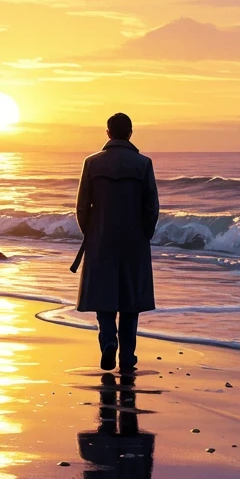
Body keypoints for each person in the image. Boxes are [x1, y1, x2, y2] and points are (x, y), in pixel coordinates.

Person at [73, 112, 159, 371]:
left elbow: (81, 207)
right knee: (131, 300)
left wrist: (90, 232)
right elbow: (152, 207)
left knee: (104, 296)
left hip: (101, 239)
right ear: (130, 133)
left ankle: (109, 342)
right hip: (134, 241)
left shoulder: (92, 163)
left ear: (108, 133)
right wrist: (145, 233)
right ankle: (128, 356)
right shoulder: (143, 164)